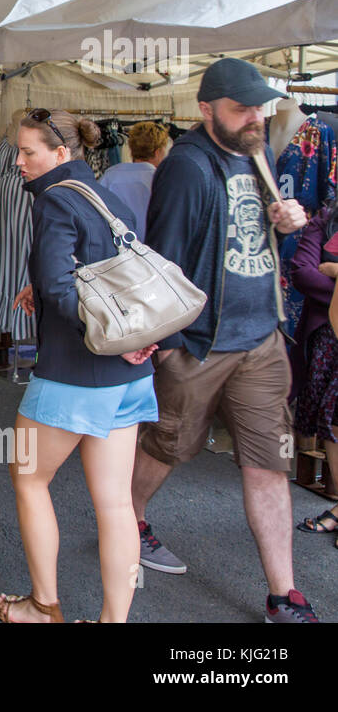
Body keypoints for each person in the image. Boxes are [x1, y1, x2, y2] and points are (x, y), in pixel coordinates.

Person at [135, 57, 317, 622]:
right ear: (206, 108)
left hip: (261, 337)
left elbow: (249, 231)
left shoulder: (255, 151)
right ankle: (128, 518)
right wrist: (167, 342)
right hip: (200, 342)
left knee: (267, 462)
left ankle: (283, 596)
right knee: (167, 447)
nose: (255, 117)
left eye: (259, 107)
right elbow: (163, 257)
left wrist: (285, 222)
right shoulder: (188, 167)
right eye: (241, 109)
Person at [0, 109, 159, 624]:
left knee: (28, 478)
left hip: (75, 374)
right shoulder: (106, 196)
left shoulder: (56, 200)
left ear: (61, 153)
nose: (18, 161)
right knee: (116, 506)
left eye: (28, 152)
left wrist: (55, 296)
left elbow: (65, 288)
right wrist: (40, 287)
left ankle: (44, 608)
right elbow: (104, 272)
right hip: (129, 378)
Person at [289, 201, 338, 539]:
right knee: (330, 416)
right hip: (329, 332)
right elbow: (303, 270)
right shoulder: (329, 215)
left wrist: (334, 271)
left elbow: (321, 269)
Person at [98, 121, 168, 241]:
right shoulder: (163, 180)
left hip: (118, 252)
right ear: (157, 152)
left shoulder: (110, 177)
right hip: (154, 253)